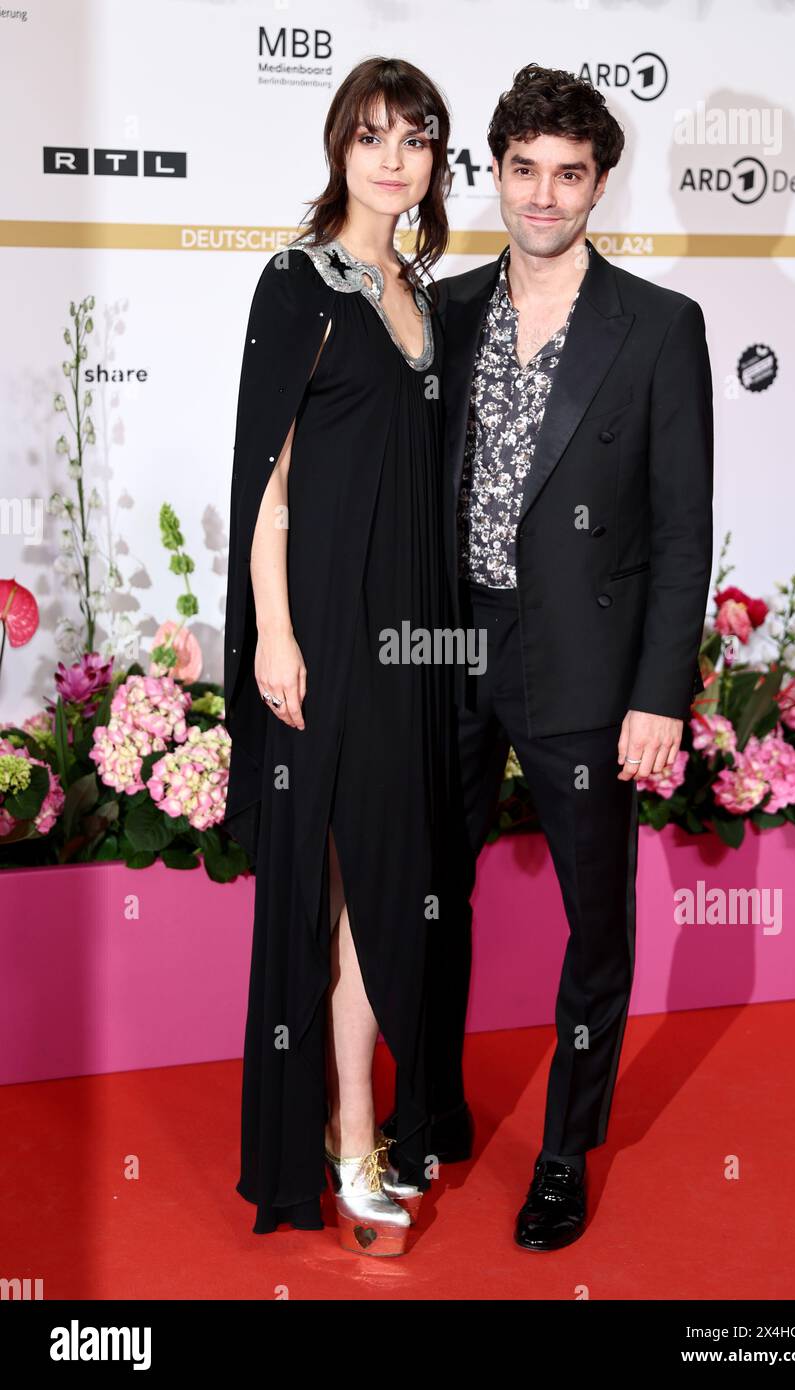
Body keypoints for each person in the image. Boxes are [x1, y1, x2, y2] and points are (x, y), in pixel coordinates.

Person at [385, 63, 714, 1251]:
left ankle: (566, 1150)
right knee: (425, 889)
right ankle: (427, 1108)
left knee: (595, 923)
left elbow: (682, 532)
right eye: (522, 169)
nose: (541, 194)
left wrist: (655, 694)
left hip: (582, 664)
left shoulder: (658, 328)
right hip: (448, 640)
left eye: (566, 173)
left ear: (598, 183)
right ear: (496, 171)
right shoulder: (445, 307)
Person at [222, 56, 455, 1256]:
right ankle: (344, 1138)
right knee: (333, 885)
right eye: (369, 134)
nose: (389, 157)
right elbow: (267, 473)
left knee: (384, 879)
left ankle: (357, 1126)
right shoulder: (294, 278)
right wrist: (274, 625)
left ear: (433, 159)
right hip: (325, 621)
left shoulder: (419, 291)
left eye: (412, 138)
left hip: (414, 633)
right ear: (336, 145)